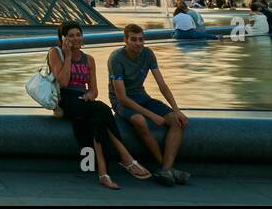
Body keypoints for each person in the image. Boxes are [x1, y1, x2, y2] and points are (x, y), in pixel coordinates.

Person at [48, 22, 151, 189]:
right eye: (71, 36)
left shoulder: (89, 59)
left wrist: (90, 95)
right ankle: (126, 158)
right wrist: (67, 56)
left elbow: (94, 90)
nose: (76, 38)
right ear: (63, 39)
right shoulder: (56, 53)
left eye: (78, 34)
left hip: (85, 102)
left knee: (98, 119)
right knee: (102, 109)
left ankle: (104, 173)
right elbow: (62, 82)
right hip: (65, 100)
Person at [109, 25, 190, 186]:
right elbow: (122, 98)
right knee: (140, 120)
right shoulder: (116, 58)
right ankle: (166, 168)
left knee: (176, 122)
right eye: (134, 39)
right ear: (125, 40)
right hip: (121, 101)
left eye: (141, 39)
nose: (138, 43)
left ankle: (166, 169)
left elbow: (162, 85)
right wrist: (152, 115)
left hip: (142, 96)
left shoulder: (148, 54)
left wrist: (177, 110)